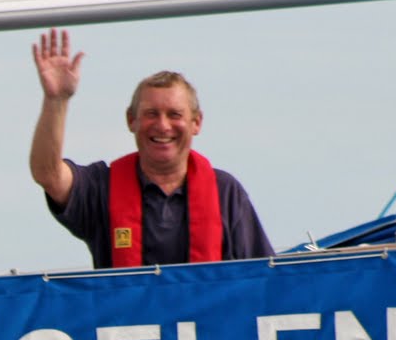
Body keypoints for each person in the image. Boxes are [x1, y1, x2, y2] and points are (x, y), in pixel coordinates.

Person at [29, 28, 274, 268]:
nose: (163, 125)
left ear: (196, 122)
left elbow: (263, 280)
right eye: (151, 114)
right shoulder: (101, 187)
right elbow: (48, 174)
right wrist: (56, 100)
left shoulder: (226, 192)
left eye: (174, 114)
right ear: (131, 120)